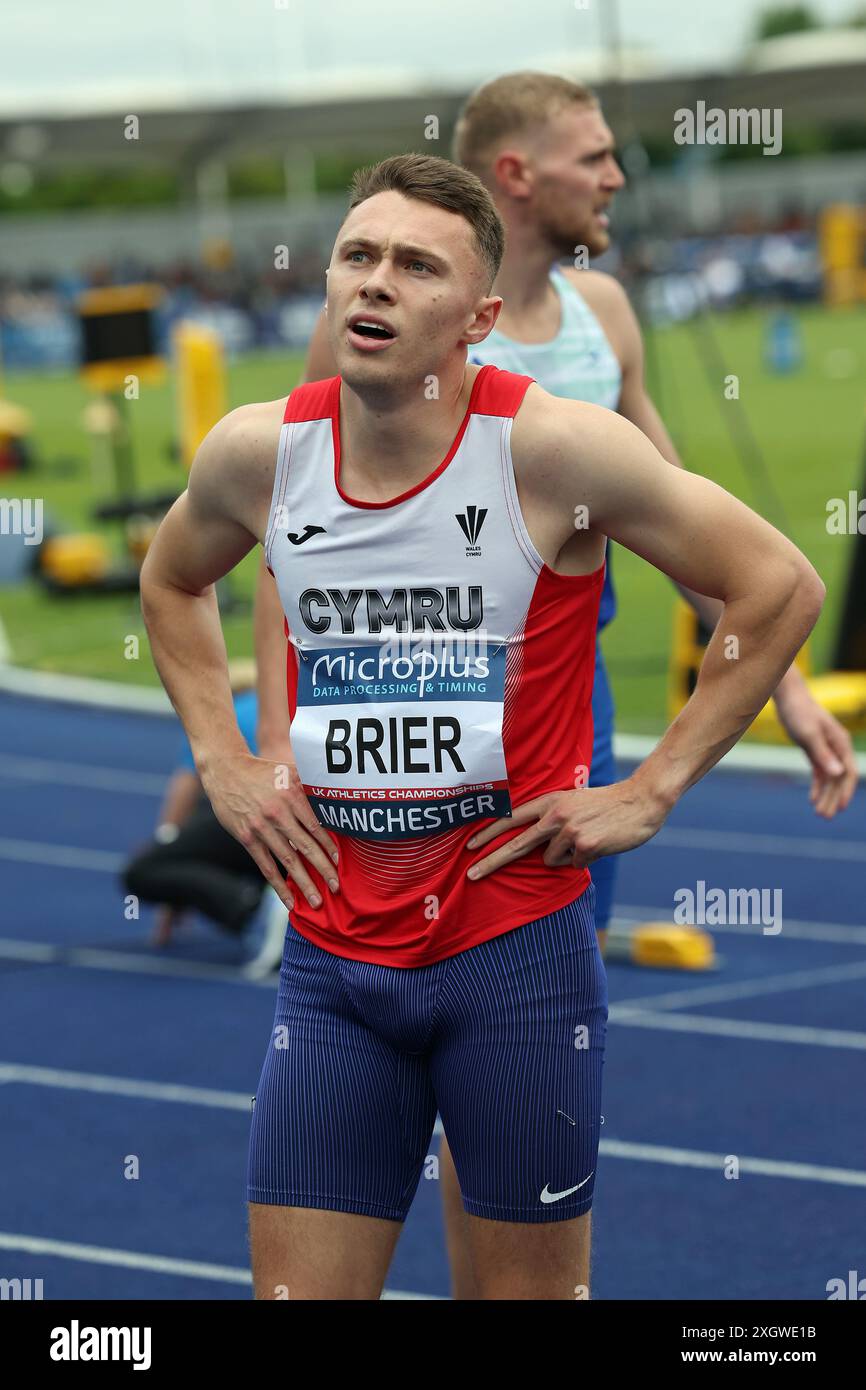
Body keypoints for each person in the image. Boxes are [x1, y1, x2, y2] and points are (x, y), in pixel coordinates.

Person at [140, 152, 825, 1300]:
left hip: (511, 962)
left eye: (416, 266)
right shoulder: (260, 455)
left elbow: (778, 583)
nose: (375, 284)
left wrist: (650, 787)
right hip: (335, 961)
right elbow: (171, 583)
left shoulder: (550, 450)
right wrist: (224, 755)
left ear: (481, 316)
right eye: (357, 257)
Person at [123, 662, 266, 944]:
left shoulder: (219, 718)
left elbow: (184, 790)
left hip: (247, 821)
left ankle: (237, 899)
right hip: (294, 820)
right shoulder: (279, 709)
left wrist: (167, 848)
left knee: (141, 871)